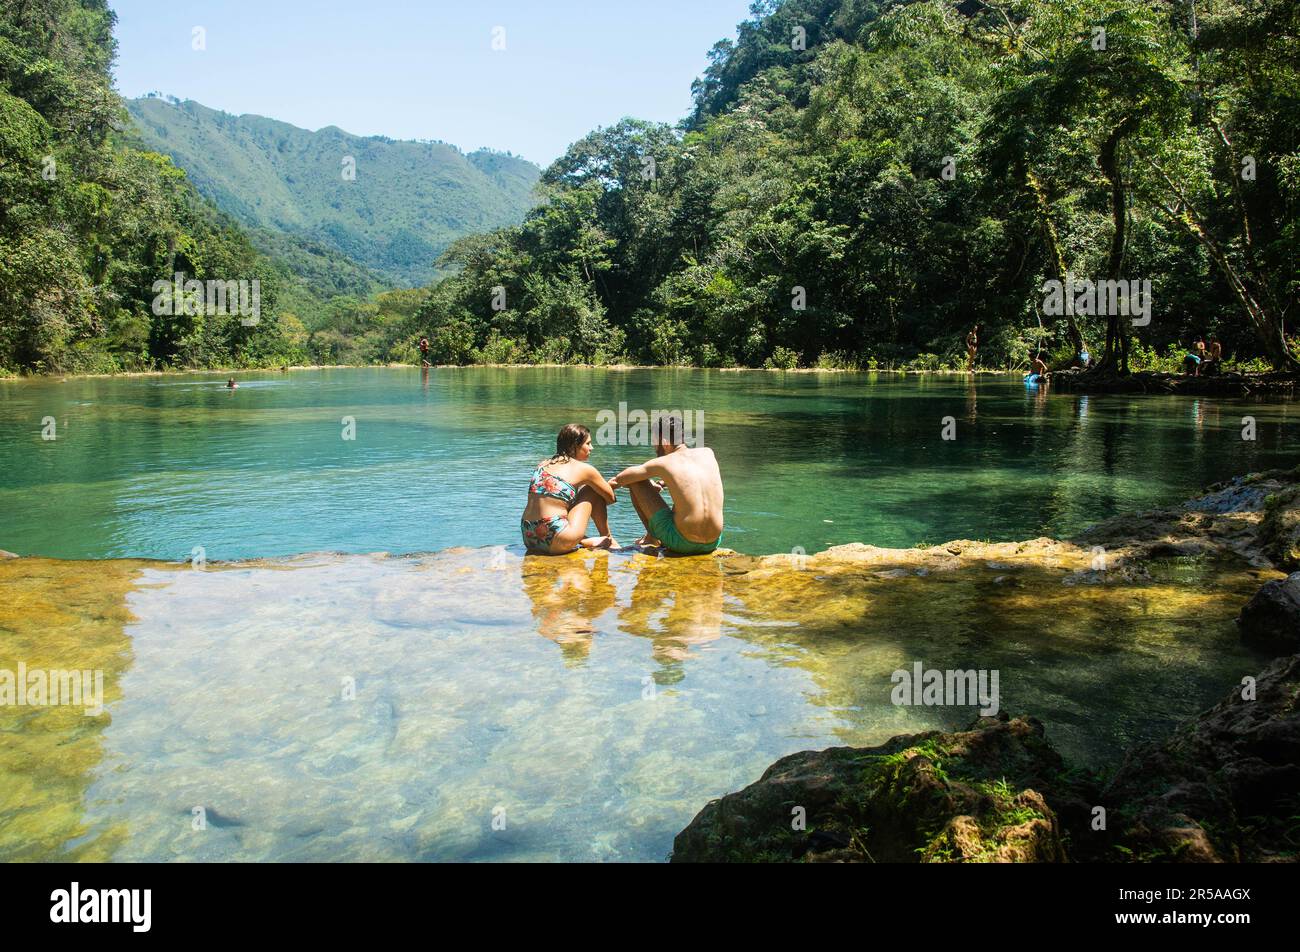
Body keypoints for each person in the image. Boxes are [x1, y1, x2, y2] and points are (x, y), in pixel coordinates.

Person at [609, 413, 724, 556]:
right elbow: (692, 480)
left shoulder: (665, 462)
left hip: (682, 543)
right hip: (712, 542)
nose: (654, 447)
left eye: (655, 442)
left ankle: (652, 539)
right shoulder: (707, 453)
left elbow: (623, 478)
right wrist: (664, 482)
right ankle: (654, 537)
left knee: (636, 482)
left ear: (664, 442)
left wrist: (604, 488)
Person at [520, 424, 618, 555]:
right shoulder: (585, 470)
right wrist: (609, 484)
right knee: (591, 490)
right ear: (574, 446)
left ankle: (586, 541)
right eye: (588, 444)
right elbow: (610, 498)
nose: (591, 448)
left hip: (529, 536)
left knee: (564, 502)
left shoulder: (543, 464)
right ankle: (609, 539)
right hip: (558, 537)